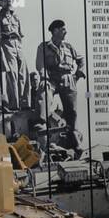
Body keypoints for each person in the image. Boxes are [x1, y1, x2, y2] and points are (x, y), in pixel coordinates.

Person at [37, 19, 86, 157]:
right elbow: (40, 65)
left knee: (72, 112)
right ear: (55, 31)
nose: (66, 32)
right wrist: (43, 77)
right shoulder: (43, 47)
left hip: (68, 79)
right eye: (63, 29)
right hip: (51, 78)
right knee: (44, 92)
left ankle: (75, 140)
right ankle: (42, 124)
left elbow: (81, 59)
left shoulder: (69, 47)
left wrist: (78, 73)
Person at [0, 0, 27, 110]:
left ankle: (24, 103)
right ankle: (14, 104)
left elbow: (21, 34)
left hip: (18, 45)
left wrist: (19, 44)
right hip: (6, 44)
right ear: (0, 2)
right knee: (12, 74)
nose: (8, 1)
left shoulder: (16, 16)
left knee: (23, 74)